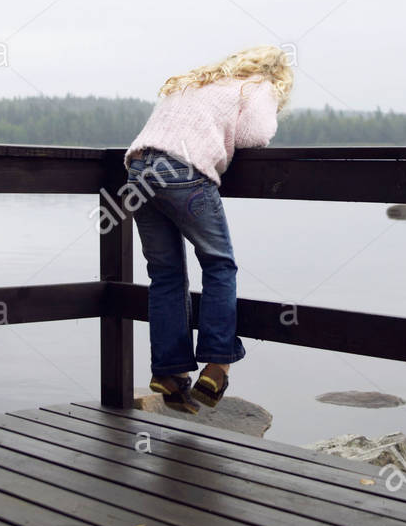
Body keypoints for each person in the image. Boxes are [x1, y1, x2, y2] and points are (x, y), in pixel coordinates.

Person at [124, 46, 293, 411]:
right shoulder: (256, 86)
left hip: (138, 172)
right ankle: (216, 366)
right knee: (219, 265)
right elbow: (257, 134)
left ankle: (169, 372)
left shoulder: (195, 81)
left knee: (165, 274)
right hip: (183, 171)